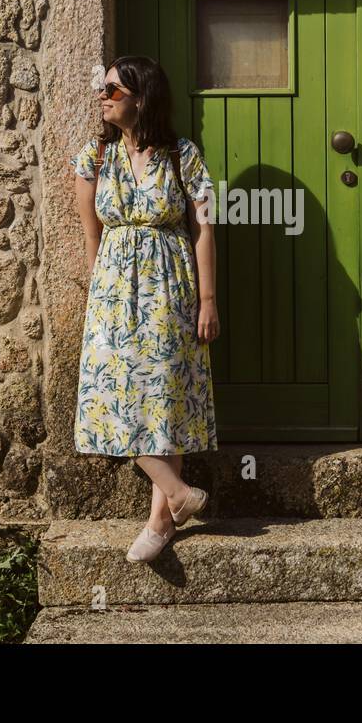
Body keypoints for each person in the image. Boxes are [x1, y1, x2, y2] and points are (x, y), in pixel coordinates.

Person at [70, 54, 220, 563]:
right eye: (103, 89)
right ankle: (179, 494)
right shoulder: (94, 154)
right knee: (113, 396)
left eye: (112, 90)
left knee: (164, 396)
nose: (103, 97)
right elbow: (90, 226)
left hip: (170, 286)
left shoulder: (183, 155)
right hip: (114, 286)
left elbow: (204, 228)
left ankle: (161, 519)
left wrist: (207, 299)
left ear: (140, 98)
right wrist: (98, 287)